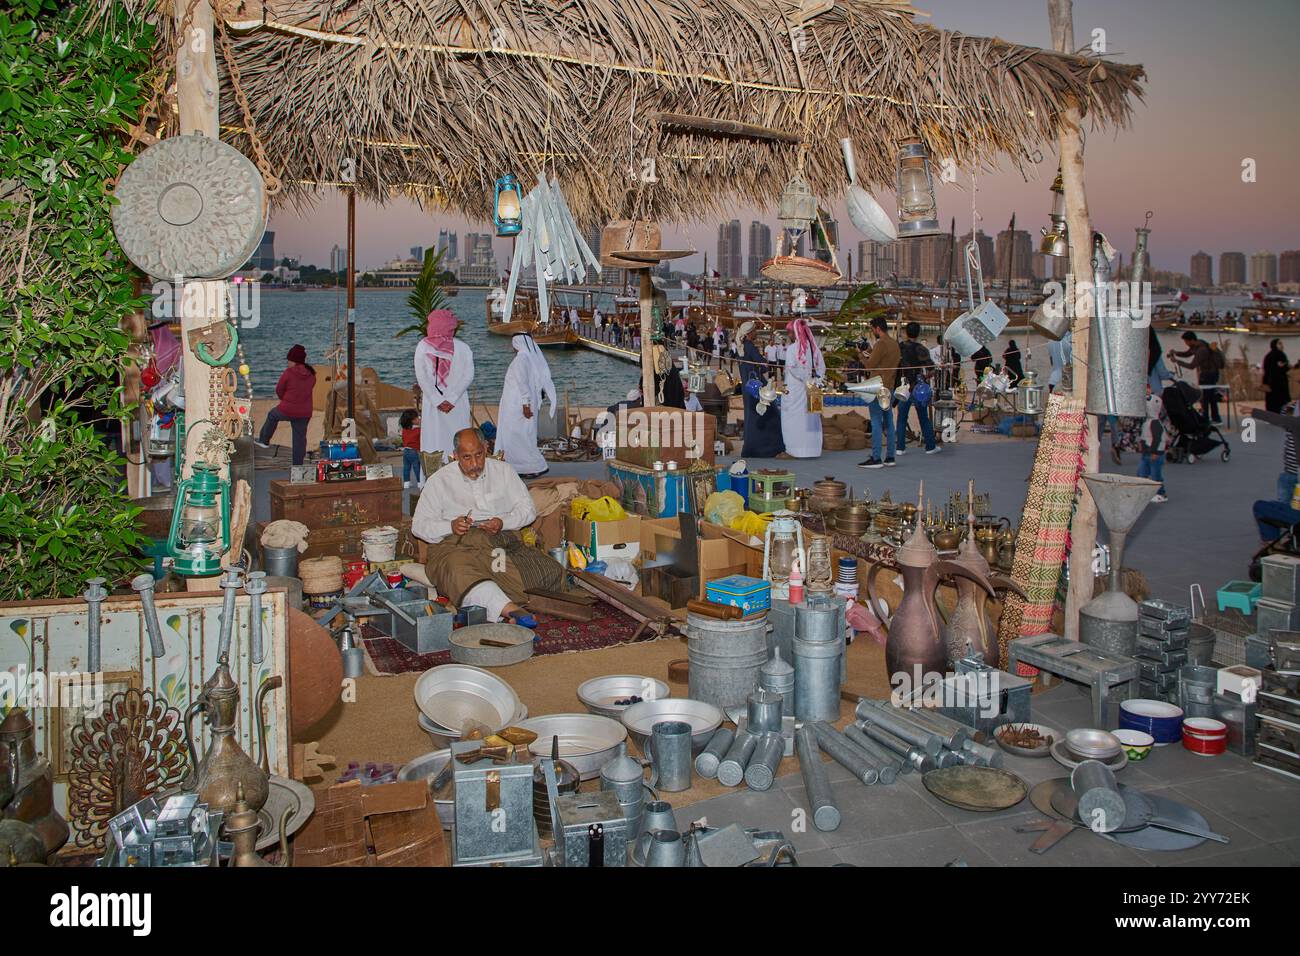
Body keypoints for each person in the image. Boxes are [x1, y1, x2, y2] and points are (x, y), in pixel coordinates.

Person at [411, 428, 563, 627]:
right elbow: (419, 526)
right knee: (458, 570)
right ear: (455, 455)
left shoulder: (504, 471)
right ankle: (512, 610)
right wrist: (450, 526)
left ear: (485, 448)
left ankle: (487, 602)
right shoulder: (439, 481)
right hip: (456, 546)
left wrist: (503, 522)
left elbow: (528, 510)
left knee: (552, 571)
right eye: (466, 458)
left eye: (479, 455)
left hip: (501, 543)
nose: (475, 464)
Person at [414, 309, 475, 461]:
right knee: (459, 441)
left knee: (434, 442)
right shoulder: (463, 347)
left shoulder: (423, 346)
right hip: (457, 404)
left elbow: (421, 377)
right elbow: (468, 376)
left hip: (433, 405)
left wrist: (438, 400)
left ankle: (434, 473)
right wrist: (452, 399)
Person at [496, 333, 556, 479]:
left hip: (517, 406)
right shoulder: (529, 359)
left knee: (515, 436)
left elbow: (522, 384)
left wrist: (525, 404)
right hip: (521, 404)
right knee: (524, 436)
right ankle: (522, 467)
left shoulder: (521, 360)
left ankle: (531, 467)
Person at [255, 344, 316, 465]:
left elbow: (279, 389)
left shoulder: (289, 372)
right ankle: (298, 465)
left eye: (289, 361)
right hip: (305, 412)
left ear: (294, 361)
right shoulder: (311, 374)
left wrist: (285, 400)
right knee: (299, 439)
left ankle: (264, 440)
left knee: (272, 415)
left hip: (288, 409)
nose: (288, 363)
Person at [1253, 399, 1300, 542]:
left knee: (1261, 507)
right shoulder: (1292, 411)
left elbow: (1287, 422)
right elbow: (1286, 420)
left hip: (1293, 474)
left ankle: (1272, 543)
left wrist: (1255, 412)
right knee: (1285, 505)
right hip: (1290, 473)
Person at [737, 320, 784, 458]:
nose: (756, 333)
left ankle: (751, 448)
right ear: (749, 333)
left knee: (752, 416)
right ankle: (767, 448)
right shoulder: (750, 347)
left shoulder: (741, 348)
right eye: (755, 331)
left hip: (747, 387)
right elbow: (764, 365)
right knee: (770, 414)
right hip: (757, 387)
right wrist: (764, 363)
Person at [857, 315, 899, 468]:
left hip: (877, 387)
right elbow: (882, 361)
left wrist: (860, 354)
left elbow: (870, 366)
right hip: (889, 387)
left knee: (876, 421)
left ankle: (876, 458)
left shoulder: (881, 344)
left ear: (878, 328)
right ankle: (890, 457)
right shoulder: (894, 344)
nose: (873, 332)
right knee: (889, 422)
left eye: (873, 329)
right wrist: (870, 350)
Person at [780, 318, 825, 458]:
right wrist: (815, 382)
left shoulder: (792, 349)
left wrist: (806, 380)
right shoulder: (814, 349)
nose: (789, 335)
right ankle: (812, 450)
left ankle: (794, 450)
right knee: (811, 419)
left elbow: (792, 369)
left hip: (795, 390)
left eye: (790, 332)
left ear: (796, 332)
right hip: (813, 388)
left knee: (793, 419)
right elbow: (822, 368)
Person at [896, 321, 940, 455]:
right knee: (923, 417)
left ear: (906, 332)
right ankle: (930, 447)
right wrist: (925, 377)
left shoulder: (899, 347)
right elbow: (931, 369)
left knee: (901, 418)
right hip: (918, 387)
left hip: (903, 386)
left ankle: (900, 448)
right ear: (918, 333)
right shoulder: (921, 349)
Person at [1169, 331, 1221, 423]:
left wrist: (1177, 361)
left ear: (1192, 340)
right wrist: (1176, 353)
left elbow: (1191, 366)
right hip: (1209, 374)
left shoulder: (1201, 350)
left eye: (1186, 342)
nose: (1186, 344)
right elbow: (1187, 353)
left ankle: (1206, 418)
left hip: (1208, 375)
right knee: (1210, 396)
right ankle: (1215, 418)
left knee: (1205, 397)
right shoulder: (1198, 345)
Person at [1139, 391, 1169, 503]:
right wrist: (1141, 445)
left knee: (1155, 475)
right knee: (1142, 473)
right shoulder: (1147, 422)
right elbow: (1145, 436)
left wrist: (1155, 452)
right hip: (1147, 453)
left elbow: (1157, 439)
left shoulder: (1155, 423)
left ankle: (1161, 493)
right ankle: (1145, 492)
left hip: (1155, 454)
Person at [1263, 338, 1292, 414]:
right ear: (1274, 345)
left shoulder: (1268, 356)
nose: (1282, 345)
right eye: (1279, 343)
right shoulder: (1280, 355)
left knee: (1272, 402)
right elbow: (1283, 367)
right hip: (1279, 383)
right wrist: (1286, 366)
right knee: (1281, 402)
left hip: (1271, 383)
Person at [400, 409, 423, 489]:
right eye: (417, 418)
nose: (419, 419)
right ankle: (419, 482)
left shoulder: (404, 430)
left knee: (406, 467)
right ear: (412, 421)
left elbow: (403, 439)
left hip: (406, 451)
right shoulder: (418, 430)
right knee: (417, 467)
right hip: (414, 451)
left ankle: (406, 483)